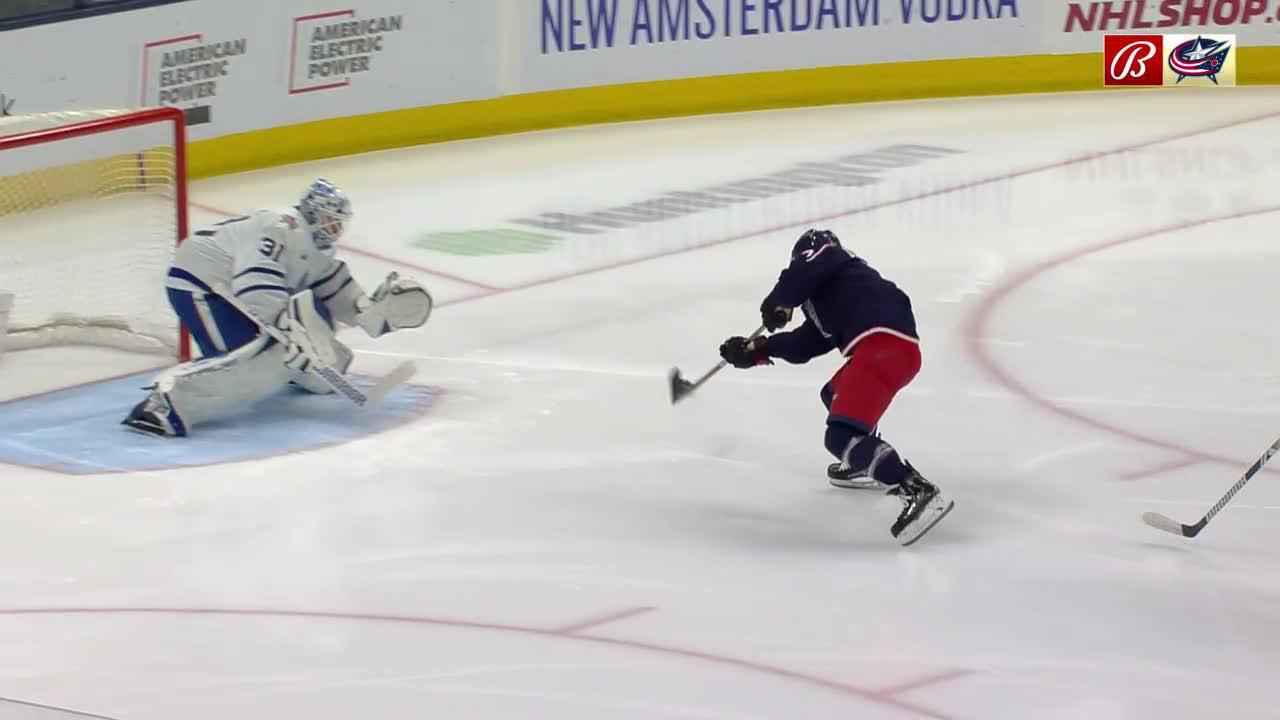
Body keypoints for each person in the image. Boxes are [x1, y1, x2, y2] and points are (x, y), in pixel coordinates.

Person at [123, 179, 432, 437]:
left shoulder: (318, 250)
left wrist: (374, 313)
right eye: (329, 220)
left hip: (232, 292)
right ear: (312, 213)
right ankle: (165, 404)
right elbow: (253, 279)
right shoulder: (280, 225)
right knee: (260, 361)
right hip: (201, 285)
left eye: (339, 224)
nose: (334, 228)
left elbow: (339, 292)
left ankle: (287, 366)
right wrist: (288, 327)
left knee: (321, 361)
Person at [718, 228, 953, 546]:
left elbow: (810, 266)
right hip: (893, 351)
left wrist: (781, 300)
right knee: (833, 393)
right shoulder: (834, 293)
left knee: (839, 435)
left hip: (882, 348)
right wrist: (758, 350)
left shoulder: (831, 257)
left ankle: (915, 488)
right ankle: (865, 461)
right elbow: (805, 345)